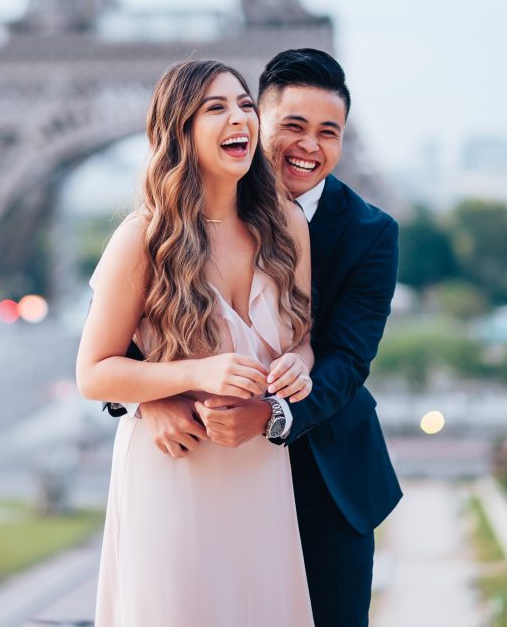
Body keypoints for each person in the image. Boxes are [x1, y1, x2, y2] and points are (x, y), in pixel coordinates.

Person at [129, 49, 402, 627]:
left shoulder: (372, 232)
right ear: (255, 124)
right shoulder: (176, 219)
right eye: (293, 126)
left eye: (329, 132)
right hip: (212, 468)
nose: (310, 146)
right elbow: (128, 334)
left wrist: (273, 415)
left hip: (324, 479)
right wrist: (151, 397)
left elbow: (347, 359)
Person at [77, 59, 316, 626]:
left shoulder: (287, 225)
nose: (239, 118)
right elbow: (93, 372)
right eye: (216, 108)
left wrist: (298, 371)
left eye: (244, 105)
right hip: (173, 473)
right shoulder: (142, 238)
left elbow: (303, 341)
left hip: (259, 473)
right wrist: (195, 374)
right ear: (179, 130)